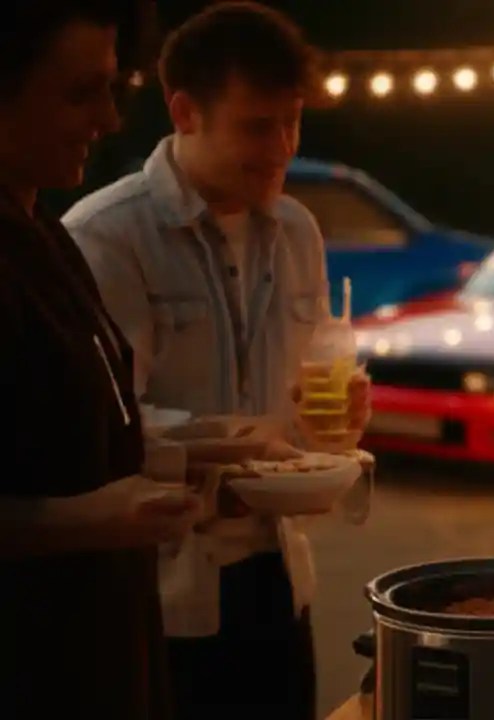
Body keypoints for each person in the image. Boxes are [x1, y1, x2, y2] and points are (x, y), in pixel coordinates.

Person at [63, 3, 367, 718]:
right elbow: (107, 428)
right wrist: (228, 461)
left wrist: (338, 422)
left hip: (281, 578)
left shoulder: (297, 229)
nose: (283, 147)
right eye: (258, 127)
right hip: (166, 595)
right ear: (185, 111)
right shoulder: (108, 236)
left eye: (293, 122)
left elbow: (310, 413)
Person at [0, 1, 203, 718]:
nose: (111, 122)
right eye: (80, 94)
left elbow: (73, 433)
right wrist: (90, 520)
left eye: (114, 90)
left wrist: (209, 459)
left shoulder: (45, 235)